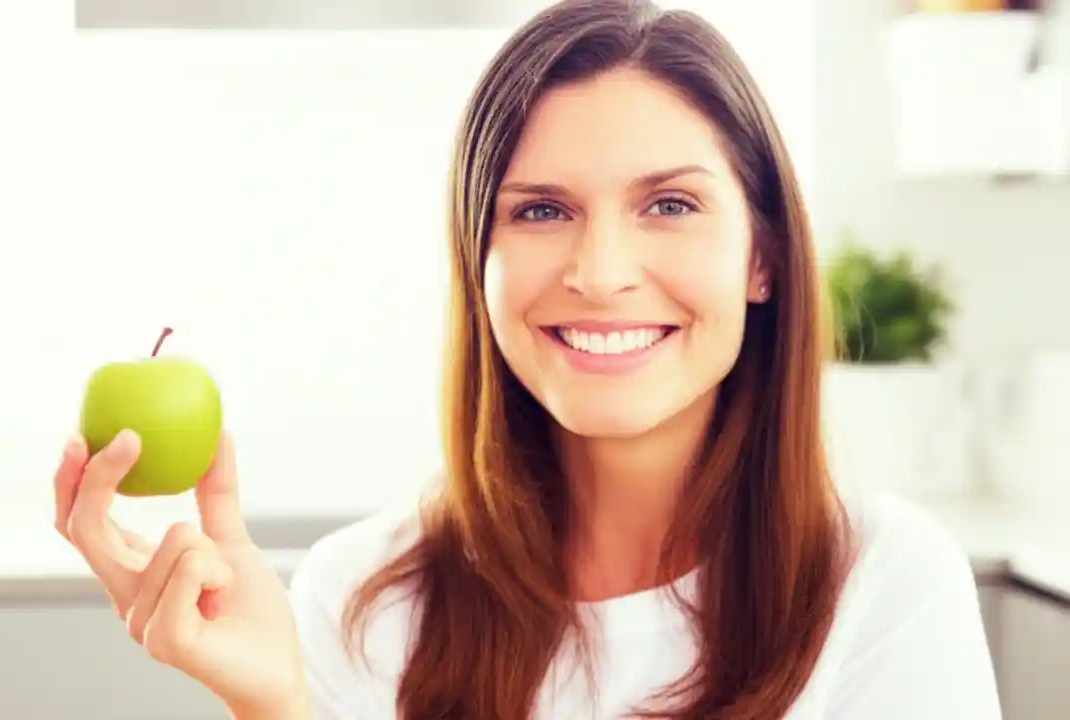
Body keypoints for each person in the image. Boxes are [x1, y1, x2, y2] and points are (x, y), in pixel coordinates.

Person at [52, 1, 1003, 718]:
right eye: (541, 211)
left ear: (761, 256)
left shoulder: (884, 584)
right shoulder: (356, 600)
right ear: (480, 263)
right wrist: (276, 706)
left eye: (669, 205)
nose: (599, 273)